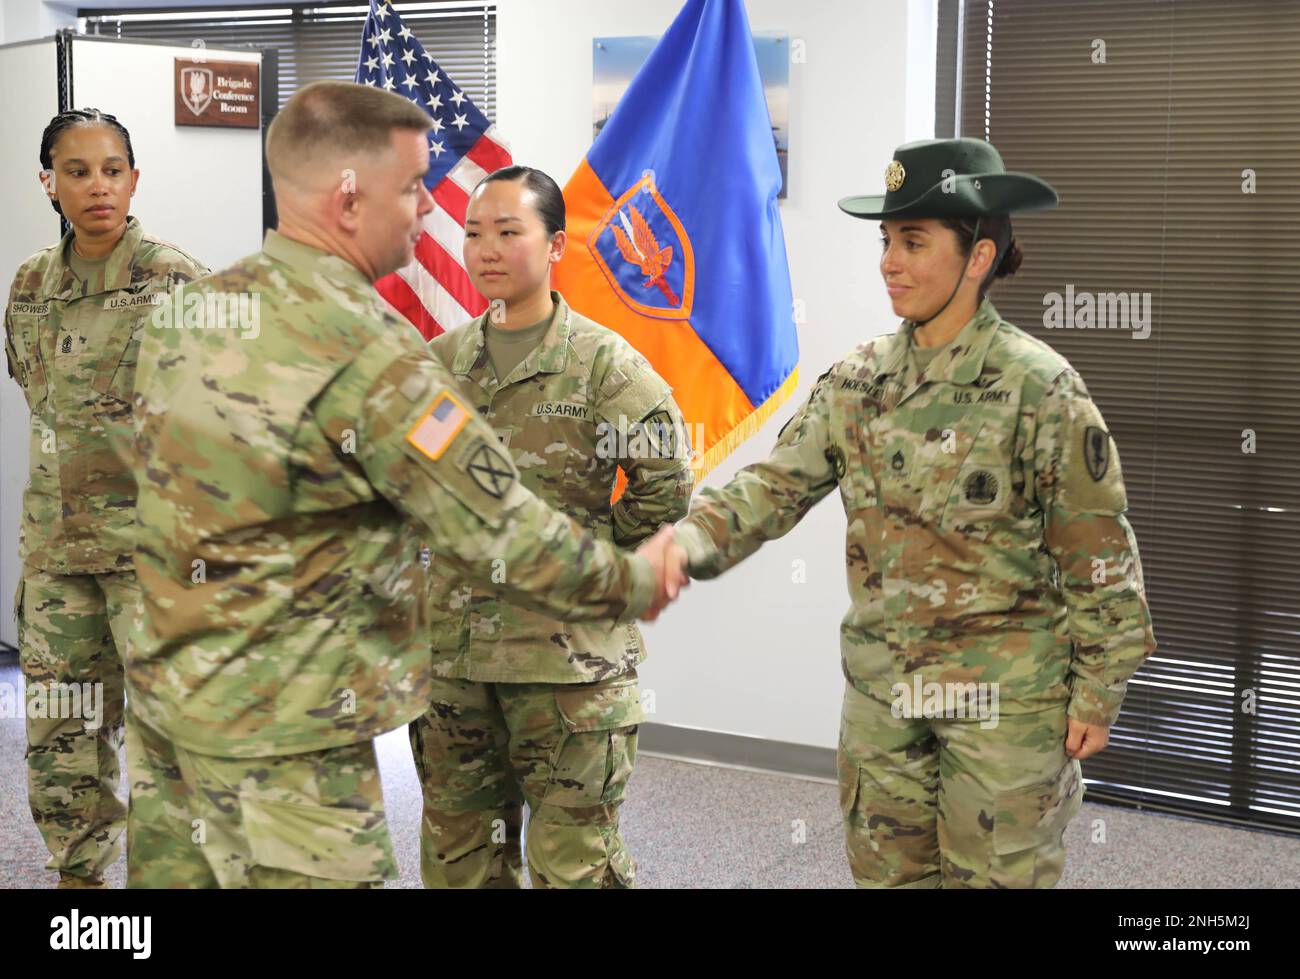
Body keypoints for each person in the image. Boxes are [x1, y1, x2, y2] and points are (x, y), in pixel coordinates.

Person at [124, 81, 685, 889]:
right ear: (350, 196)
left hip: (176, 711)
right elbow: (492, 514)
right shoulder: (375, 347)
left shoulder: (187, 313)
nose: (427, 210)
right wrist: (627, 576)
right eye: (414, 187)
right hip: (298, 738)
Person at [671, 138, 1156, 888]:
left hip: (1005, 709)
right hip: (883, 700)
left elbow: (1099, 555)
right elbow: (769, 489)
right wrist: (682, 545)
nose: (889, 261)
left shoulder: (1040, 389)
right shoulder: (858, 381)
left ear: (979, 256)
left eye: (914, 241)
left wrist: (1098, 689)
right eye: (887, 240)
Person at [414, 165, 693, 889]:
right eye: (475, 233)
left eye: (510, 231)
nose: (487, 249)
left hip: (568, 670)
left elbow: (665, 486)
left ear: (557, 244)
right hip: (454, 665)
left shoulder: (605, 365)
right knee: (460, 863)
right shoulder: (441, 363)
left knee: (576, 868)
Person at [3, 108, 207, 889]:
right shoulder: (28, 285)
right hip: (58, 558)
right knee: (63, 739)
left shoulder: (176, 279)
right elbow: (38, 392)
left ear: (134, 178)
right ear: (48, 182)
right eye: (78, 170)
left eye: (113, 169)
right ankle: (79, 883)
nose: (98, 186)